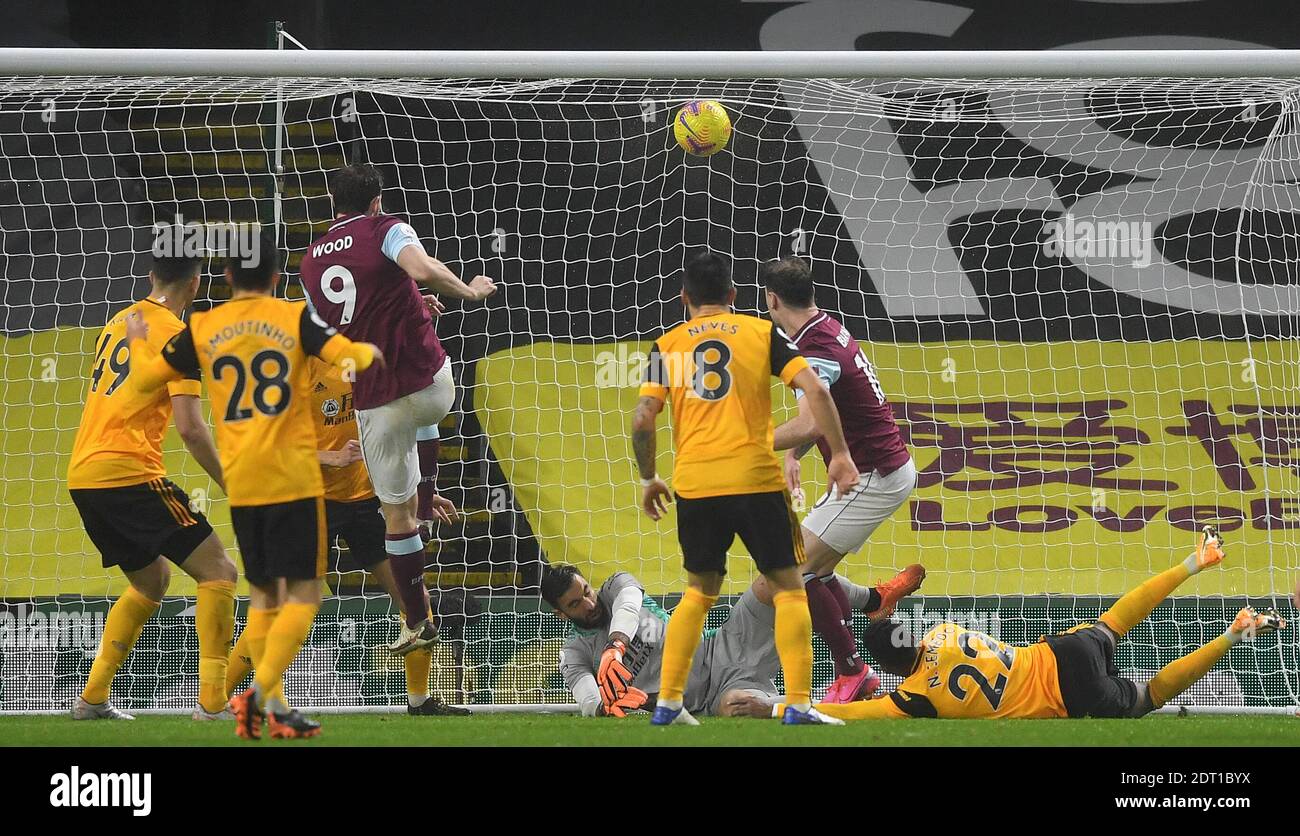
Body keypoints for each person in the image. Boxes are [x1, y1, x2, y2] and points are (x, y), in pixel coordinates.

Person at [127, 234, 382, 739]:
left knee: (264, 598)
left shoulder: (201, 327)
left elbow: (141, 382)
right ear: (277, 278)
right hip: (292, 477)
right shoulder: (294, 320)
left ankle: (269, 703)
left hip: (242, 485)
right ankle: (262, 687)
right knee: (304, 598)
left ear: (224, 278)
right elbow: (351, 355)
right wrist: (373, 348)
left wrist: (139, 337)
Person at [631, 250, 860, 726]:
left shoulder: (666, 345)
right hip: (756, 480)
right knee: (791, 589)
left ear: (684, 299)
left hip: (696, 484)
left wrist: (649, 476)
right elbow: (816, 391)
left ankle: (670, 703)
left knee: (698, 592)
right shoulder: (762, 332)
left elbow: (642, 418)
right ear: (734, 295)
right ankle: (799, 704)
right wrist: (839, 454)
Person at [733, 527, 1287, 721]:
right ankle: (1193, 563)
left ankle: (1232, 634)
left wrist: (772, 705)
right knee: (1116, 618)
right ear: (912, 632)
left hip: (1069, 700)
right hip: (1058, 654)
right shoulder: (945, 632)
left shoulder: (915, 698)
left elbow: (839, 713)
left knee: (1149, 697)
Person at [301, 163, 496, 656]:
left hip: (375, 401)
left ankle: (416, 620)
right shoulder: (385, 227)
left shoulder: (308, 264)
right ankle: (427, 498)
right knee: (426, 412)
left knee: (396, 520)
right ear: (375, 200)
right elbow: (420, 268)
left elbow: (327, 331)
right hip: (431, 383)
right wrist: (470, 290)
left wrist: (400, 302)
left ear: (332, 201)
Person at [222, 354, 469, 716]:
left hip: (368, 497)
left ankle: (419, 701)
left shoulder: (373, 358)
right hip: (312, 498)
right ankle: (216, 699)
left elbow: (394, 430)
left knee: (414, 596)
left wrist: (417, 493)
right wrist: (328, 456)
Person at [67, 252, 238, 722]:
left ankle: (93, 697)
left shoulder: (117, 321)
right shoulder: (178, 339)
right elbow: (191, 429)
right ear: (197, 284)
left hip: (84, 474)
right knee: (219, 570)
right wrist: (234, 485)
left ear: (151, 277)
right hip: (128, 472)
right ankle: (212, 703)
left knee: (152, 580)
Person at [762, 256, 919, 702]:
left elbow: (811, 421)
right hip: (879, 468)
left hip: (873, 474)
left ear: (772, 300)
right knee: (813, 567)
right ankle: (874, 601)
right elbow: (825, 412)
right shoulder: (827, 328)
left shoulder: (813, 351)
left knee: (793, 570)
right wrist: (793, 454)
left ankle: (854, 674)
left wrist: (743, 441)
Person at [543, 563, 923, 717]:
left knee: (780, 572)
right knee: (739, 708)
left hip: (724, 644)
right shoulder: (574, 655)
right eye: (576, 604)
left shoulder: (614, 588)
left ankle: (874, 599)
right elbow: (589, 701)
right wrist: (614, 707)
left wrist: (616, 646)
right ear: (562, 614)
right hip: (709, 697)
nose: (590, 603)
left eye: (587, 591)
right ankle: (851, 701)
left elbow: (629, 602)